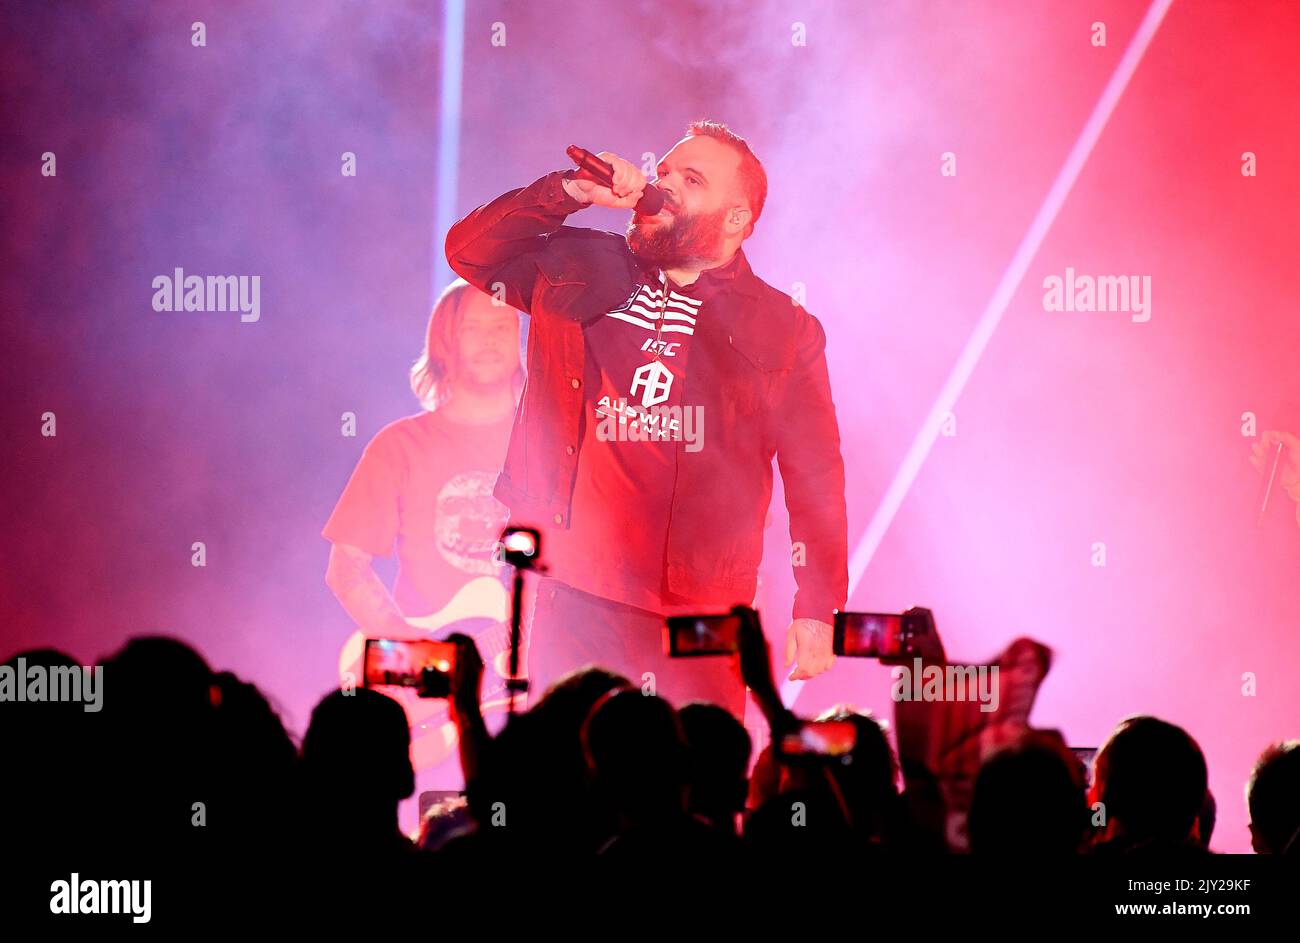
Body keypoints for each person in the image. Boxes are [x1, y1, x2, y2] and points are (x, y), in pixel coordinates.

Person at [445, 120, 848, 719]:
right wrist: (569, 192)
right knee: (569, 787)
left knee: (693, 794)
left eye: (692, 179)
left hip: (700, 611)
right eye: (663, 172)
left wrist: (816, 607)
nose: (664, 185)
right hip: (573, 587)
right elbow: (469, 251)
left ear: (736, 219)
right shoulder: (577, 261)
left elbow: (815, 475)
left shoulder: (783, 330)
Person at [321, 279, 525, 786]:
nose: (489, 339)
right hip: (430, 698)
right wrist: (421, 655)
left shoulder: (551, 444)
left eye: (502, 327)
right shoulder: (400, 446)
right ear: (445, 344)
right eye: (472, 328)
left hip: (529, 694)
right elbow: (346, 569)